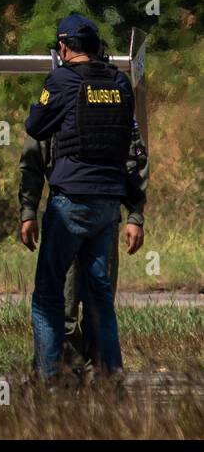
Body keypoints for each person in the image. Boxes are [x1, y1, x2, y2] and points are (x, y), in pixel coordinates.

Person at [23, 14, 136, 383]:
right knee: (100, 294)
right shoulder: (120, 83)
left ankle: (49, 378)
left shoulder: (61, 80)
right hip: (109, 203)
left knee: (48, 294)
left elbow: (35, 126)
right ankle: (109, 377)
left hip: (71, 200)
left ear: (63, 47)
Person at [18, 122, 147, 375]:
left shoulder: (111, 95)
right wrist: (28, 210)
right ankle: (72, 372)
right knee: (67, 306)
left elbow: (135, 160)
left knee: (91, 302)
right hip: (76, 209)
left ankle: (91, 377)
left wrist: (135, 214)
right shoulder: (61, 93)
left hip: (93, 211)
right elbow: (34, 156)